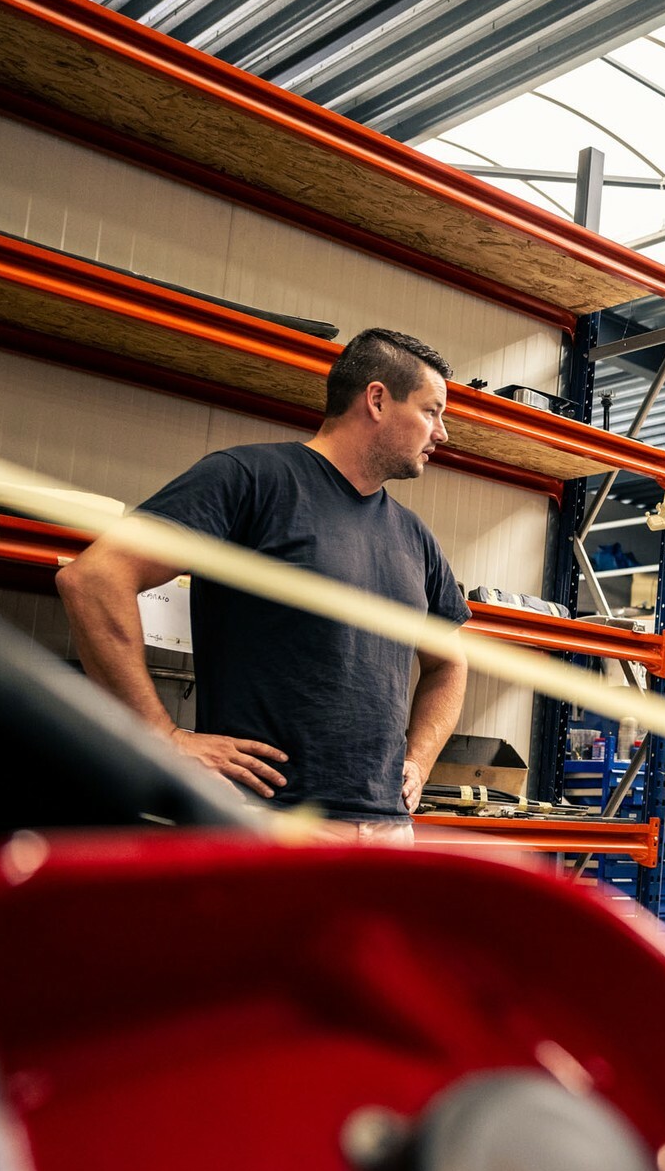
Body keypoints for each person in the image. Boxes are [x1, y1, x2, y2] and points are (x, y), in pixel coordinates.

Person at [59, 328, 472, 843]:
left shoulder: (413, 535)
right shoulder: (250, 479)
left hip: (385, 826)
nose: (442, 433)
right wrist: (162, 736)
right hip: (267, 820)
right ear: (377, 400)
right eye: (432, 411)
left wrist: (420, 759)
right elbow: (94, 579)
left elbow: (449, 662)